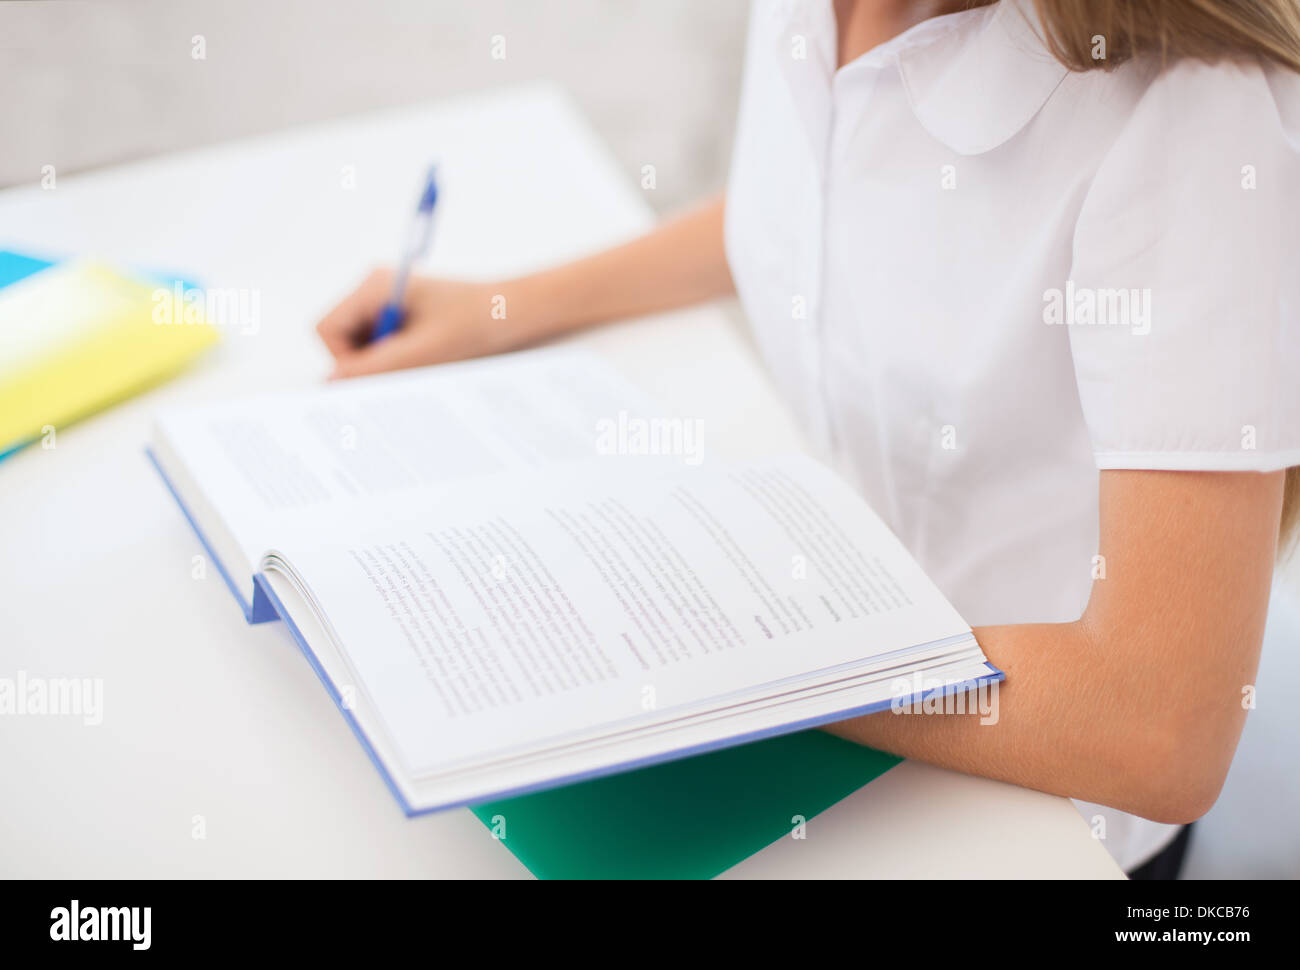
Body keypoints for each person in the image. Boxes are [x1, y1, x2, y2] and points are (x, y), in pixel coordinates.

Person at [315, 0, 1300, 877]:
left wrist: (730, 658)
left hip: (1029, 811)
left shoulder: (1198, 121)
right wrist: (506, 305)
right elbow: (817, 207)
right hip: (828, 669)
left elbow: (1157, 726)